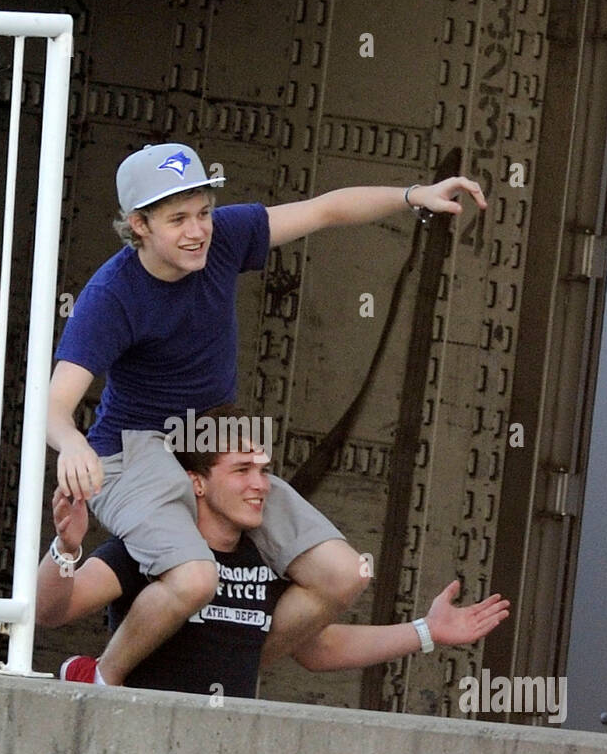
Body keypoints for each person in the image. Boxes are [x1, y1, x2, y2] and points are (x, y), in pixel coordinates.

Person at [47, 143, 487, 689]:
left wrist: (412, 196)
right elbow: (56, 406)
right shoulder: (112, 295)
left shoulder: (226, 239)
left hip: (212, 445)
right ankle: (99, 676)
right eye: (177, 219)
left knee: (344, 574)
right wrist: (72, 444)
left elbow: (326, 209)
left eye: (204, 213)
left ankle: (231, 671)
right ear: (138, 225)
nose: (197, 231)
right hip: (134, 451)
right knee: (193, 578)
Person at [36, 427, 509, 700]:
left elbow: (317, 648)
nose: (261, 484)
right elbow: (51, 611)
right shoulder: (155, 550)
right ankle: (95, 672)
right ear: (197, 483)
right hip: (139, 730)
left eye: (264, 471)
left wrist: (426, 631)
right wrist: (66, 547)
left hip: (224, 743)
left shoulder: (267, 561)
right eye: (242, 471)